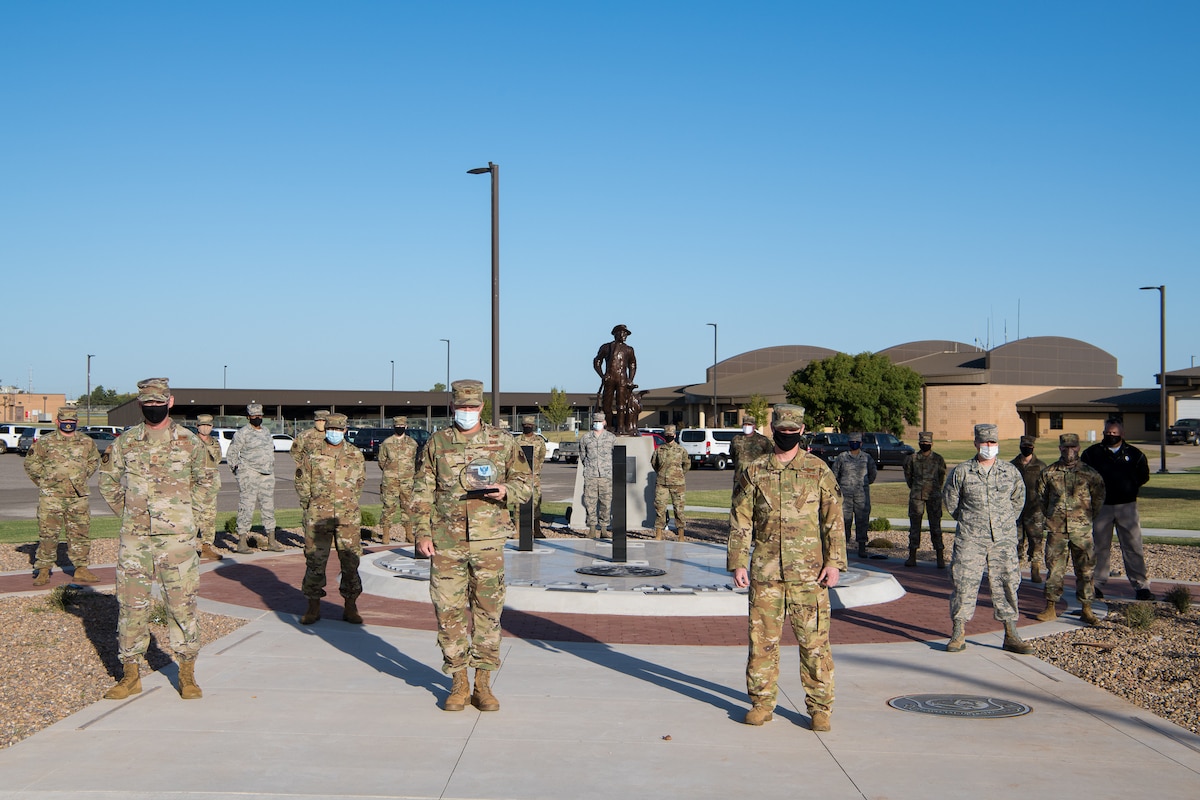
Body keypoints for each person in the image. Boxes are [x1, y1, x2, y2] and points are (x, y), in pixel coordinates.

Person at [412, 379, 532, 712]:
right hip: (446, 543)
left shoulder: (502, 441)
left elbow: (527, 484)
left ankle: (483, 685)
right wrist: (421, 534)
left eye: (473, 407)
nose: (467, 412)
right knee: (448, 613)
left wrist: (506, 490)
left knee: (488, 615)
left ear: (482, 407)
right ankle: (458, 683)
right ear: (452, 407)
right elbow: (421, 492)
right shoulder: (437, 443)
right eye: (461, 407)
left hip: (488, 543)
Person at [728, 404, 845, 732]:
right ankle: (761, 703)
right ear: (773, 429)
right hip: (766, 573)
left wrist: (834, 562)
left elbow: (833, 519)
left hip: (810, 574)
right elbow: (741, 518)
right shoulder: (754, 470)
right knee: (762, 640)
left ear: (801, 431)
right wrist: (738, 561)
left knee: (815, 642)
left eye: (794, 432)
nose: (788, 436)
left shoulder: (818, 470)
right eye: (783, 431)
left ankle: (820, 707)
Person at [98, 377, 212, 700]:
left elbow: (206, 484)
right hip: (135, 541)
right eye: (147, 404)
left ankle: (187, 674)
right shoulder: (127, 442)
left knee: (182, 605)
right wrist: (128, 510)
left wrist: (197, 525)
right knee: (131, 606)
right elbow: (107, 479)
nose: (153, 408)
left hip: (177, 540)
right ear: (140, 406)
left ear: (170, 402)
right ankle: (130, 675)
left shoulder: (190, 442)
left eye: (158, 403)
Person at [942, 423, 1031, 655]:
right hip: (971, 538)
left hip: (1003, 539)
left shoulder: (1010, 472)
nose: (989, 446)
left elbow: (1018, 500)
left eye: (992, 442)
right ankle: (958, 632)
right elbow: (951, 502)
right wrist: (971, 520)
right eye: (984, 442)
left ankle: (1011, 633)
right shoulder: (962, 472)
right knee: (964, 583)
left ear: (997, 444)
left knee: (1008, 584)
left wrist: (1004, 522)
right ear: (975, 443)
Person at [295, 413, 366, 625]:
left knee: (350, 561)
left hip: (347, 516)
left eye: (338, 430)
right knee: (315, 561)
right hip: (319, 516)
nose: (334, 433)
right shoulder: (313, 454)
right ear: (326, 430)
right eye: (331, 429)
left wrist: (348, 502)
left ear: (345, 431)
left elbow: (360, 482)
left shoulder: (355, 455)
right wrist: (311, 505)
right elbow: (302, 483)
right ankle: (313, 606)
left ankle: (351, 605)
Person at [24, 406, 101, 585]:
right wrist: (45, 482)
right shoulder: (45, 442)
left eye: (71, 422)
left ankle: (81, 568)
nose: (68, 425)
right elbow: (31, 464)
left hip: (77, 496)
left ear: (77, 422)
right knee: (48, 534)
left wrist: (81, 477)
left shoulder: (87, 442)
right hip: (52, 497)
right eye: (65, 421)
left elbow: (93, 461)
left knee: (80, 533)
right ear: (57, 422)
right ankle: (43, 570)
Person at [1035, 433, 1106, 625]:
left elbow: (1098, 499)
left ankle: (1087, 608)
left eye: (1073, 447)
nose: (1069, 451)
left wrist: (1085, 518)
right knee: (1054, 571)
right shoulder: (1049, 473)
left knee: (1085, 570)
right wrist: (1052, 517)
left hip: (1081, 532)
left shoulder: (1090, 474)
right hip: (1056, 530)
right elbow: (1041, 499)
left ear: (1078, 448)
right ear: (1059, 448)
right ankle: (1050, 607)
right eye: (1065, 447)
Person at [1082, 419, 1154, 601]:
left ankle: (1141, 586)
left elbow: (1143, 475)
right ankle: (1096, 584)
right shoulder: (1092, 453)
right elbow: (1083, 475)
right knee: (1100, 547)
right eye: (1107, 432)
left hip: (1126, 507)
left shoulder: (1135, 454)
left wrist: (1129, 487)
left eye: (1114, 433)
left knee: (1133, 546)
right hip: (1102, 507)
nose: (1110, 436)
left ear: (1122, 434)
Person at [227, 403, 281, 553]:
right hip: (249, 473)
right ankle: (242, 541)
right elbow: (232, 454)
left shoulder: (266, 432)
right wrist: (238, 472)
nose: (257, 418)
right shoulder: (242, 433)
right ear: (248, 417)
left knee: (268, 507)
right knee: (247, 507)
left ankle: (271, 540)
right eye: (254, 416)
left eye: (259, 415)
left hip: (267, 474)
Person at [902, 431, 947, 568]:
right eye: (923, 442)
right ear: (919, 443)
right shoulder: (912, 459)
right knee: (915, 526)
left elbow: (941, 477)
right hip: (917, 496)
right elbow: (908, 476)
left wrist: (934, 489)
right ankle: (912, 556)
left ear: (932, 443)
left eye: (927, 443)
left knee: (936, 526)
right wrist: (916, 487)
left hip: (934, 496)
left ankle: (940, 556)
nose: (925, 445)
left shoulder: (938, 459)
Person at [832, 432, 877, 558]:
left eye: (857, 442)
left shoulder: (867, 458)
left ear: (861, 443)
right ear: (848, 443)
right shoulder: (842, 457)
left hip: (861, 495)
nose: (854, 444)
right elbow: (834, 475)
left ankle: (862, 547)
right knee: (844, 521)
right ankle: (843, 547)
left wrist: (865, 484)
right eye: (852, 442)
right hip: (845, 495)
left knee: (862, 521)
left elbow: (873, 474)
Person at [1011, 435, 1049, 583]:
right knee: (1016, 541)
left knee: (1036, 541)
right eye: (1024, 446)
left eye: (1029, 446)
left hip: (1035, 510)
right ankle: (1016, 569)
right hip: (1016, 510)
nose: (1026, 448)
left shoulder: (1040, 466)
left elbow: (1047, 489)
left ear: (1033, 448)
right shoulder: (1012, 465)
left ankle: (1035, 568)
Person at [378, 415, 419, 544]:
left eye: (402, 426)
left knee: (408, 507)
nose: (400, 428)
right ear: (394, 427)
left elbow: (415, 460)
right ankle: (385, 534)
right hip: (390, 480)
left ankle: (408, 534)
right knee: (389, 506)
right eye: (397, 426)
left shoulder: (412, 443)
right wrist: (390, 471)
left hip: (407, 481)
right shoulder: (387, 443)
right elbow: (381, 461)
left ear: (406, 427)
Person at [593, 324, 638, 435]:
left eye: (626, 333)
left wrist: (630, 380)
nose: (625, 335)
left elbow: (632, 364)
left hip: (622, 379)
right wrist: (602, 375)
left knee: (621, 404)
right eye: (623, 333)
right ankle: (608, 426)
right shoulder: (606, 347)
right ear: (617, 333)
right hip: (609, 378)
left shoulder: (629, 349)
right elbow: (597, 361)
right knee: (606, 404)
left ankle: (621, 427)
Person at [578, 411, 617, 538]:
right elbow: (583, 455)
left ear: (604, 422)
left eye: (600, 421)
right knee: (590, 502)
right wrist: (590, 467)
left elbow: (615, 455)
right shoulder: (586, 438)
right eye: (595, 422)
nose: (598, 424)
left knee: (606, 502)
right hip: (591, 475)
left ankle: (604, 529)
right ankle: (592, 529)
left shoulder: (611, 438)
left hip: (606, 475)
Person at [651, 424, 690, 540]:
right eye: (667, 435)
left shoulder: (681, 450)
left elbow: (686, 464)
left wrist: (679, 474)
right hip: (662, 483)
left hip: (678, 484)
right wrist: (662, 473)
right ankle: (658, 534)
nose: (669, 437)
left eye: (671, 435)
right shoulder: (659, 450)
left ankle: (681, 535)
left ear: (675, 435)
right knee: (660, 508)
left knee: (679, 509)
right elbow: (654, 464)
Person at [194, 414, 223, 561]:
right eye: (202, 425)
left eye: (208, 425)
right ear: (197, 426)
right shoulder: (190, 442)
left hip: (211, 486)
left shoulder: (215, 442)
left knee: (209, 518)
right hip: (194, 487)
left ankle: (206, 547)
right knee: (192, 518)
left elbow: (217, 460)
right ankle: (188, 549)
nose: (205, 428)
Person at [513, 416, 546, 538]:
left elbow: (542, 456)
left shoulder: (539, 440)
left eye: (529, 426)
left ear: (533, 426)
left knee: (536, 502)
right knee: (518, 503)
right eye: (525, 425)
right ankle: (517, 530)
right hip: (520, 477)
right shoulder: (516, 440)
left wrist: (537, 469)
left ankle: (537, 530)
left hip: (534, 477)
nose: (527, 427)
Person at [731, 416, 773, 484]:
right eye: (745, 424)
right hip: (740, 477)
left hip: (757, 477)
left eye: (749, 424)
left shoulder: (763, 440)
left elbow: (770, 456)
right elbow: (733, 455)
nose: (747, 426)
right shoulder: (736, 439)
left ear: (754, 426)